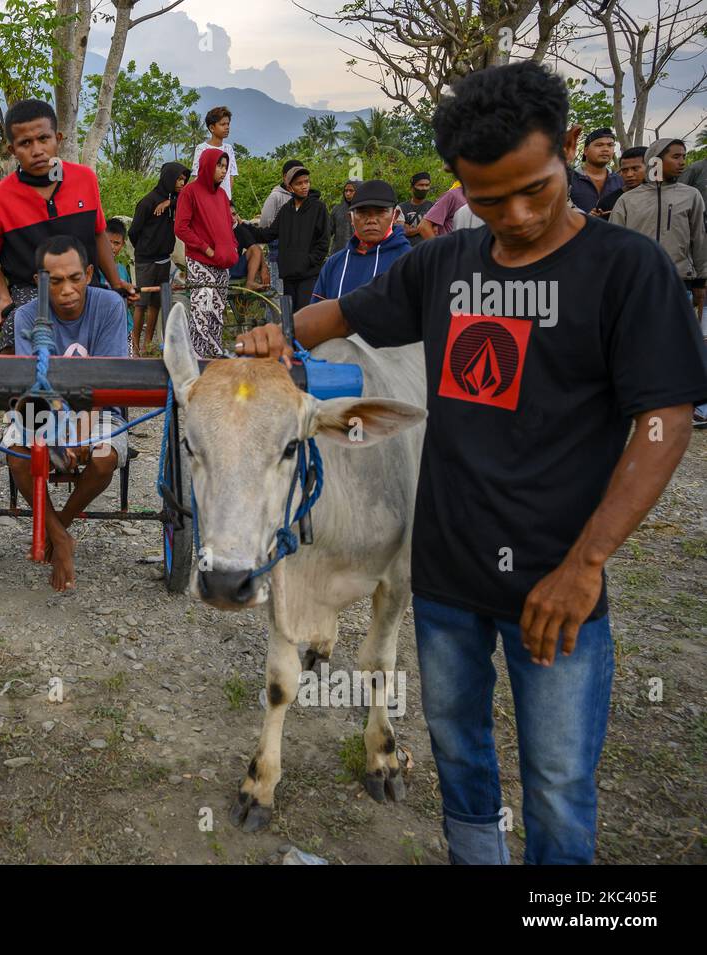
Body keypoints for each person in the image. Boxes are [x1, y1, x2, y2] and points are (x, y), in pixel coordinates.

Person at [235, 61, 707, 865]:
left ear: (566, 150)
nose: (517, 216)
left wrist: (587, 562)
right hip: (446, 581)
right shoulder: (442, 267)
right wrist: (277, 335)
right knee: (460, 760)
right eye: (488, 200)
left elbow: (664, 421)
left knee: (557, 782)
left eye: (536, 188)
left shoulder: (628, 271)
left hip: (556, 582)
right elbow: (340, 313)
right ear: (458, 186)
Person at [4, 235, 129, 593]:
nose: (67, 290)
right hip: (44, 408)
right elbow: (35, 386)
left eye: (75, 278)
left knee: (104, 457)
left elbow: (106, 381)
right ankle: (61, 539)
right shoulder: (26, 315)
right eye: (55, 281)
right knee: (17, 456)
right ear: (40, 283)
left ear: (89, 273)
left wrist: (83, 431)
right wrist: (59, 432)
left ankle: (59, 525)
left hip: (100, 407)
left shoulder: (110, 306)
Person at [0, 99, 135, 355]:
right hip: (32, 291)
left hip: (83, 284)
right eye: (25, 143)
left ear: (57, 138)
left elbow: (97, 233)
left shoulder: (85, 179)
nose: (37, 150)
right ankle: (15, 395)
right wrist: (4, 298)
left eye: (43, 138)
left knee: (115, 310)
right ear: (11, 149)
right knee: (16, 329)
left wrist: (116, 283)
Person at [610, 137, 707, 426]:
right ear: (656, 160)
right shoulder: (628, 199)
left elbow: (699, 241)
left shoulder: (691, 196)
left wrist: (702, 280)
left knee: (676, 345)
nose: (682, 162)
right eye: (676, 156)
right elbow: (614, 244)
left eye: (683, 156)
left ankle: (678, 405)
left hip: (680, 282)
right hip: (635, 285)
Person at [174, 148, 238, 357]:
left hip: (221, 262)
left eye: (225, 167)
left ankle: (214, 353)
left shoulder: (221, 195)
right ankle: (198, 357)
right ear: (207, 166)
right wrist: (206, 248)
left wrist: (232, 246)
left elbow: (227, 225)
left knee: (217, 311)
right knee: (202, 310)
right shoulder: (190, 192)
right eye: (219, 166)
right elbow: (181, 228)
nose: (222, 171)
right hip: (201, 262)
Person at [310, 179, 410, 302]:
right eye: (362, 213)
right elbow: (318, 314)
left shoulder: (409, 261)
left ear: (395, 216)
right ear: (350, 217)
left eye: (380, 212)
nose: (371, 220)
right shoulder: (334, 264)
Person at [128, 161, 188, 356]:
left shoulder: (175, 199)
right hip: (146, 260)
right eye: (179, 178)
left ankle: (148, 344)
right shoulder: (147, 202)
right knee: (141, 303)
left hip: (164, 259)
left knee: (156, 304)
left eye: (184, 179)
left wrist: (170, 202)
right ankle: (135, 346)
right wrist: (146, 248)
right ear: (169, 178)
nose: (182, 182)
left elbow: (191, 198)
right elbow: (134, 231)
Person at [264, 163, 330, 310]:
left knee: (306, 314)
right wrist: (240, 228)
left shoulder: (318, 208)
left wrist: (308, 261)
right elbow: (269, 233)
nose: (304, 186)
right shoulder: (286, 210)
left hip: (309, 275)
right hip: (289, 275)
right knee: (290, 316)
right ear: (290, 188)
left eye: (306, 182)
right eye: (299, 183)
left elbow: (324, 241)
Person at [258, 159, 304, 295]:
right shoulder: (275, 197)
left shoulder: (300, 197)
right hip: (279, 253)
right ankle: (275, 317)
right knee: (278, 291)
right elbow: (265, 224)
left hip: (297, 254)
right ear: (285, 177)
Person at [92, 218, 134, 350]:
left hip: (124, 326)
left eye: (116, 243)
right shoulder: (92, 270)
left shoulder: (122, 269)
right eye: (108, 242)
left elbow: (129, 301)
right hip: (100, 326)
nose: (112, 247)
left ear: (122, 245)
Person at [569, 127, 622, 213]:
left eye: (610, 145)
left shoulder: (620, 181)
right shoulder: (568, 179)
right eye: (599, 145)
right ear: (586, 151)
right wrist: (586, 219)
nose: (606, 149)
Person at [191, 106, 238, 199]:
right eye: (222, 124)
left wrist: (227, 198)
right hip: (206, 199)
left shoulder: (228, 149)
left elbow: (231, 177)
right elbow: (197, 177)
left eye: (228, 124)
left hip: (225, 199)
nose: (227, 127)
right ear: (212, 128)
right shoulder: (201, 149)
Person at [230, 200, 272, 292]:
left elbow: (255, 248)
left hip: (235, 267)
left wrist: (264, 268)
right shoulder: (215, 229)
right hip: (220, 269)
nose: (232, 218)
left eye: (234, 214)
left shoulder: (239, 229)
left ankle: (250, 283)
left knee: (255, 250)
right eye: (228, 215)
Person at [592, 146, 646, 219]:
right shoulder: (607, 203)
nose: (629, 174)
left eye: (635, 169)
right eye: (625, 170)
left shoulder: (661, 196)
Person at [398, 172, 435, 246]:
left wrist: (412, 229)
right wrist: (425, 227)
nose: (424, 188)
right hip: (408, 251)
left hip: (428, 249)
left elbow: (436, 231)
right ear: (412, 188)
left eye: (427, 185)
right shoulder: (401, 208)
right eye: (421, 185)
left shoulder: (433, 207)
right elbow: (403, 231)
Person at [328, 180, 361, 254]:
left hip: (357, 253)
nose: (348, 193)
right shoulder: (337, 209)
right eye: (346, 191)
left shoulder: (364, 210)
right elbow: (327, 232)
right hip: (338, 253)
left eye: (351, 191)